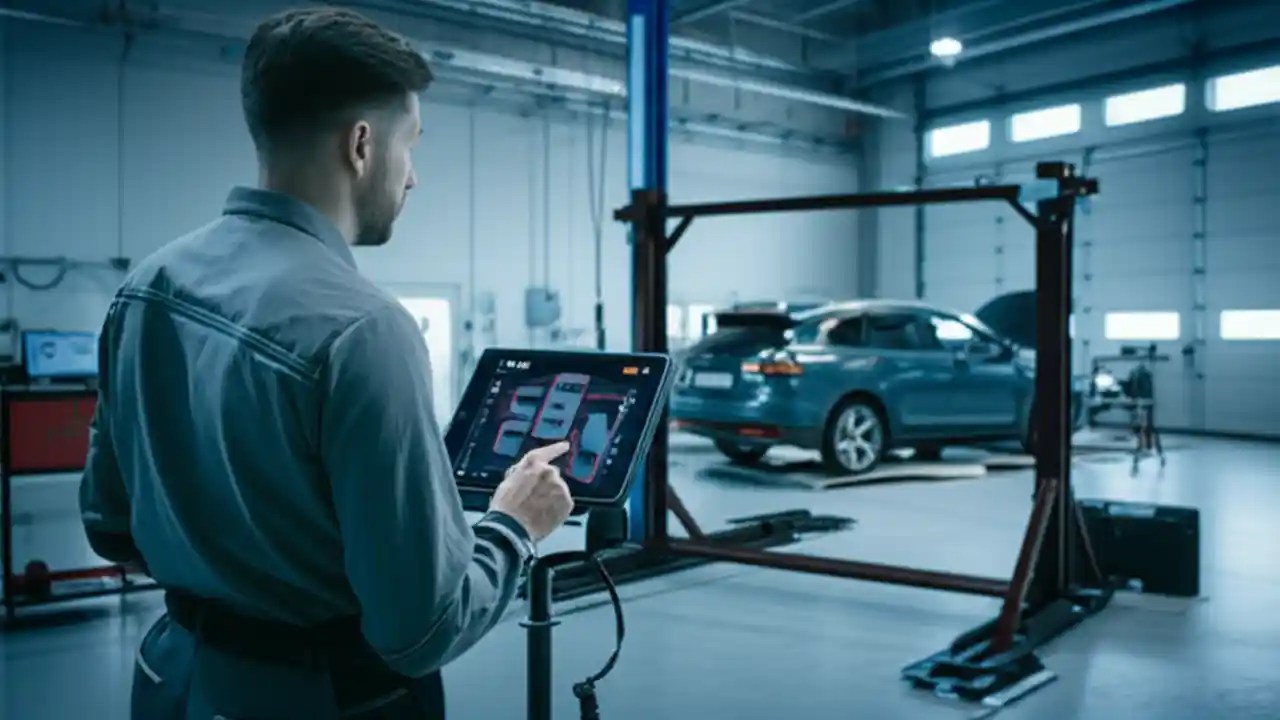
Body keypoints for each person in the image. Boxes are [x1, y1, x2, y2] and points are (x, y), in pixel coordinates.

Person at [77, 7, 574, 719]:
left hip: (174, 676)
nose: (413, 179)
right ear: (363, 145)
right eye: (411, 147)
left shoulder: (148, 287)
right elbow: (421, 629)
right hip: (321, 698)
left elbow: (110, 524)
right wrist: (513, 527)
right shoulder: (364, 331)